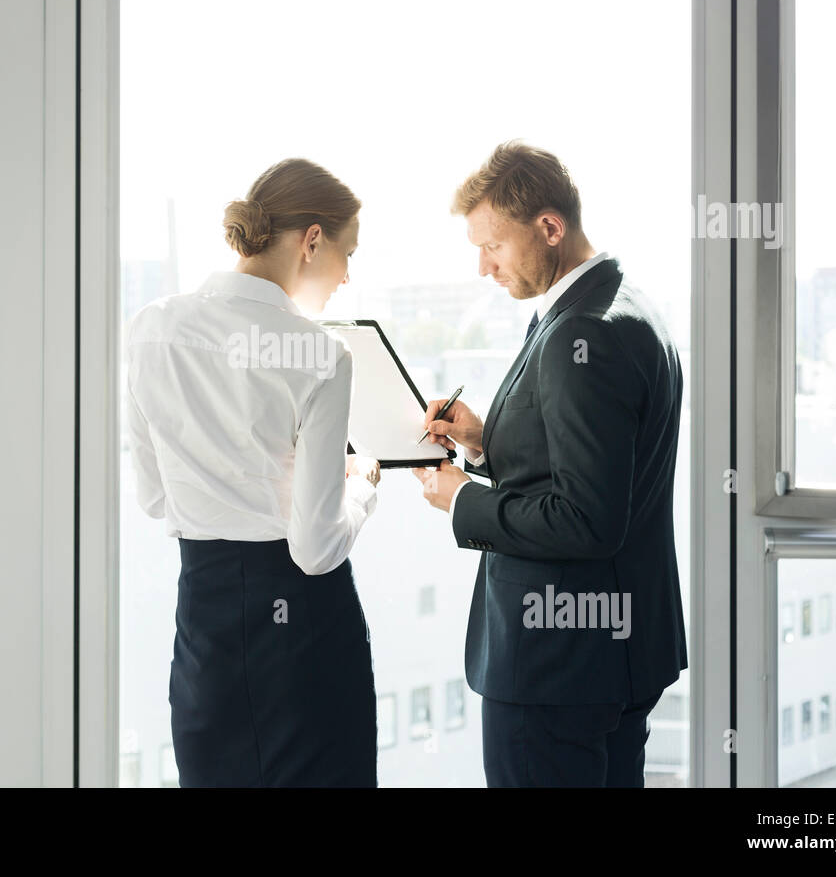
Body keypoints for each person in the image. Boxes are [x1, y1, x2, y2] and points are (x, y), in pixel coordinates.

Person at [412, 141, 687, 787]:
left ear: (550, 228)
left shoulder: (575, 335)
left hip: (554, 668)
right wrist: (484, 441)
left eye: (494, 246)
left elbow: (586, 520)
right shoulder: (627, 305)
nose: (484, 268)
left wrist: (460, 499)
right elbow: (594, 467)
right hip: (615, 656)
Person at [126, 158, 382, 787]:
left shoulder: (150, 330)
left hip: (206, 626)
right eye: (348, 252)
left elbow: (156, 498)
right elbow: (316, 548)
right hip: (303, 630)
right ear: (312, 240)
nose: (348, 275)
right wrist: (364, 485)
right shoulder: (322, 354)